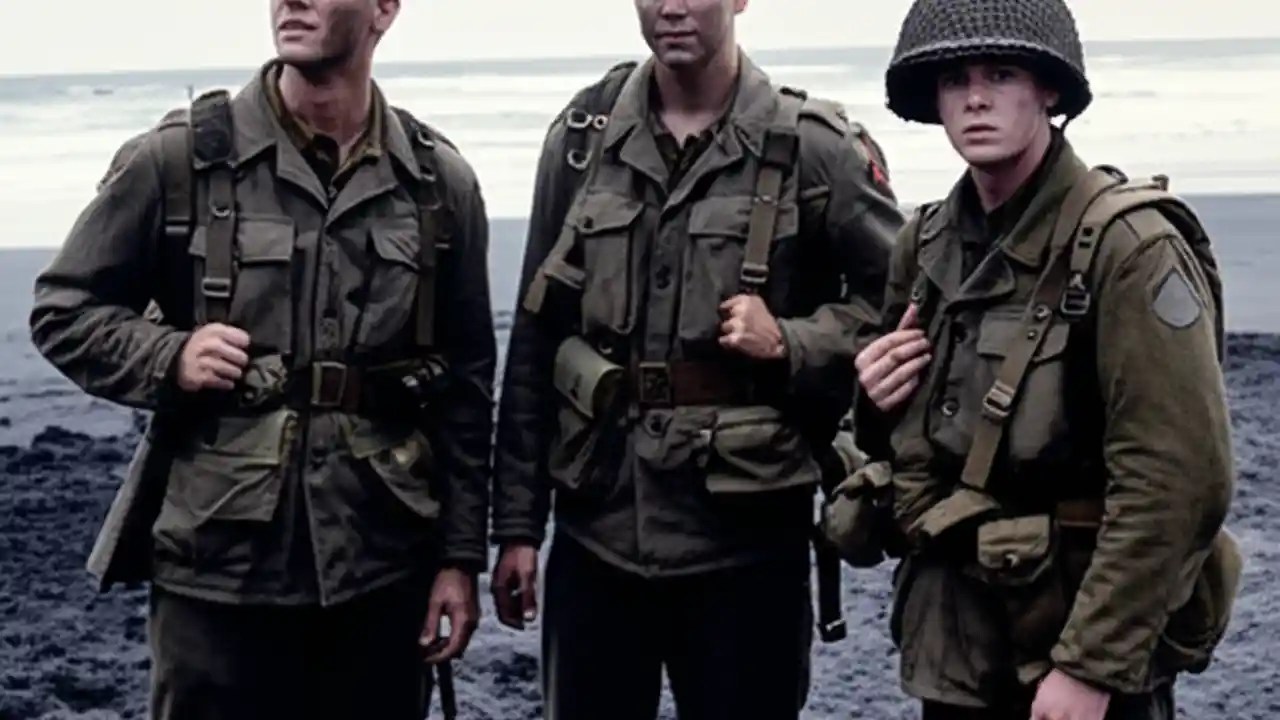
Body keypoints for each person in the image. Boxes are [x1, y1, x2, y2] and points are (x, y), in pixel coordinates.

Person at [28, 1, 494, 718]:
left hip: (380, 565)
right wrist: (168, 355)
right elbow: (63, 310)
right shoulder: (178, 162)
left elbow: (464, 389)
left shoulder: (437, 185)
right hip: (218, 571)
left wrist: (460, 560)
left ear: (384, 9)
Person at [487, 0, 904, 717]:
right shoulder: (584, 139)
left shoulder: (816, 146)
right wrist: (517, 529)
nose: (672, 6)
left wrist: (793, 342)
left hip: (744, 542)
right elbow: (535, 340)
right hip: (598, 532)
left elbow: (899, 308)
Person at [840, 0, 1241, 718]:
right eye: (955, 79)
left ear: (1049, 89)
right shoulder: (927, 244)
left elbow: (1179, 481)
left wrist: (1091, 667)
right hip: (956, 644)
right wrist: (874, 401)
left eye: (1001, 73)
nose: (976, 98)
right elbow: (916, 452)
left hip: (1078, 645)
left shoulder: (1129, 250)